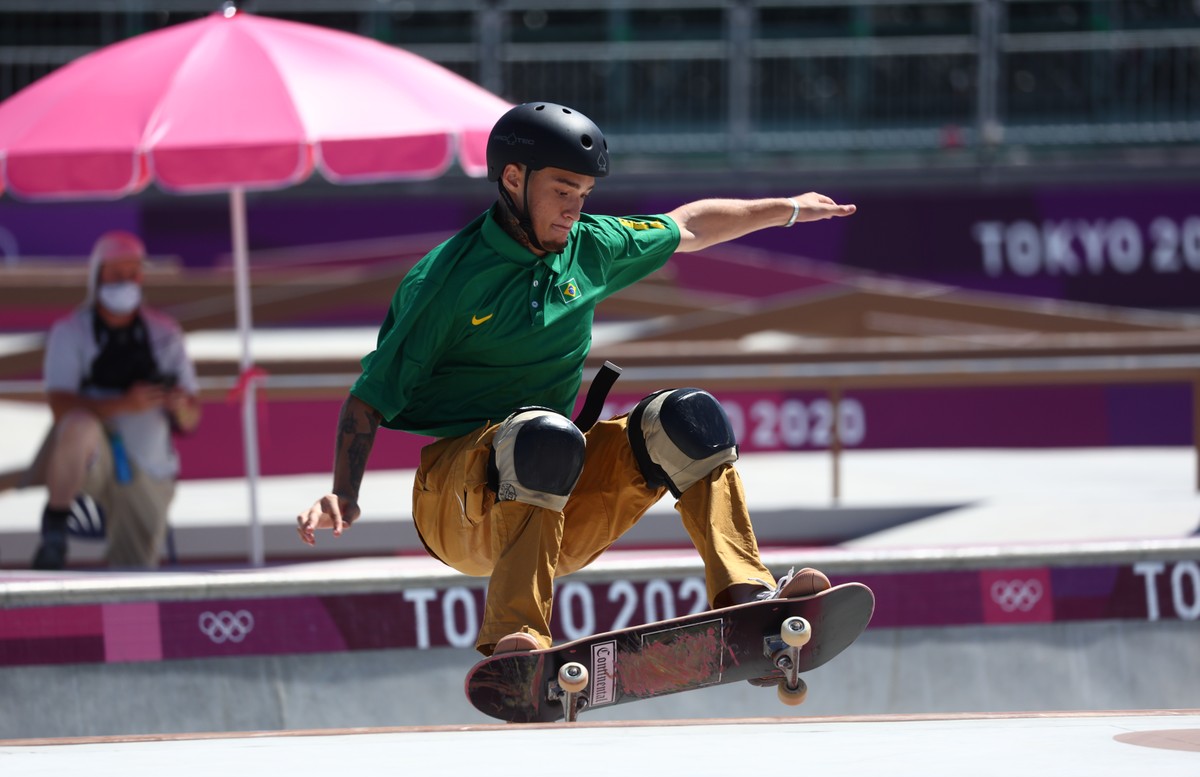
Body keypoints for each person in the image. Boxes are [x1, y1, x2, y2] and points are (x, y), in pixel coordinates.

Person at [297, 101, 856, 657]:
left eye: (584, 195)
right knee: (543, 434)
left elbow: (688, 226)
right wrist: (343, 494)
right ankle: (517, 642)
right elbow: (367, 400)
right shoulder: (446, 281)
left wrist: (788, 208)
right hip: (455, 506)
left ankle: (748, 601)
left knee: (691, 417)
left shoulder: (590, 246)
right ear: (514, 178)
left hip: (554, 497)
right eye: (562, 191)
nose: (574, 209)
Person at [30, 230, 201, 569]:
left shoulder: (165, 333)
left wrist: (178, 406)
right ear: (97, 276)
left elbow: (192, 419)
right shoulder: (70, 332)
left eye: (132, 274)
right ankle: (55, 532)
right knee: (78, 425)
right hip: (91, 464)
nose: (125, 282)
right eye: (116, 274)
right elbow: (60, 407)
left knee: (134, 578)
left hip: (149, 465)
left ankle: (124, 618)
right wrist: (126, 403)